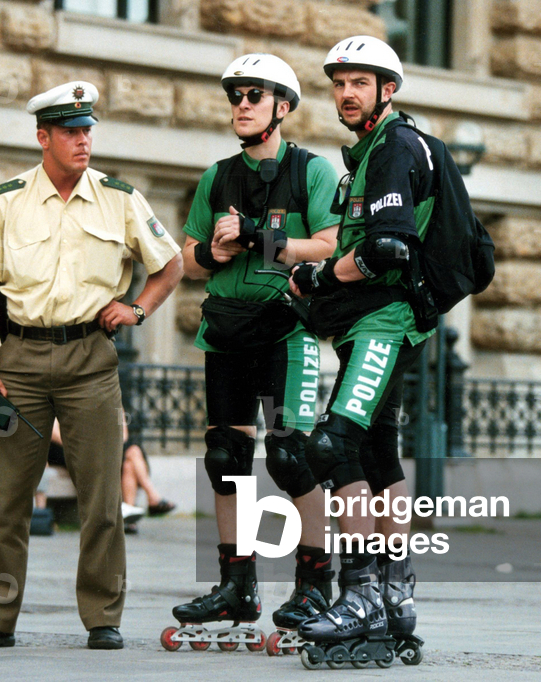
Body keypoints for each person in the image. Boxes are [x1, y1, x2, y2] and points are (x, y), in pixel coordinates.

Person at [0, 80, 182, 651]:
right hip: (20, 362)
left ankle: (103, 618)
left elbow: (171, 263)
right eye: (71, 133)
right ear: (43, 137)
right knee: (6, 501)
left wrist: (136, 308)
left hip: (91, 361)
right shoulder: (4, 200)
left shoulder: (119, 197)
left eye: (87, 132)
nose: (83, 142)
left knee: (102, 498)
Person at [168, 54, 341, 650]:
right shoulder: (217, 176)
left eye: (254, 95)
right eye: (235, 95)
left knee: (290, 457)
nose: (241, 104)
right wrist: (213, 253)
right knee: (225, 459)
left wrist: (256, 237)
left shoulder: (311, 172)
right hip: (226, 331)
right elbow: (184, 260)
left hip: (284, 332)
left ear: (282, 107)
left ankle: (315, 582)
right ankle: (236, 585)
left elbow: (328, 246)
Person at [289, 36, 433, 666]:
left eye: (359, 83)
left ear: (387, 89)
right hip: (370, 322)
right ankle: (395, 596)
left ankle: (360, 596)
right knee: (376, 449)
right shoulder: (372, 151)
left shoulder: (395, 147)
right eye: (339, 83)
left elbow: (388, 248)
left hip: (385, 320)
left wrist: (320, 277)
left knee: (334, 443)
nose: (346, 93)